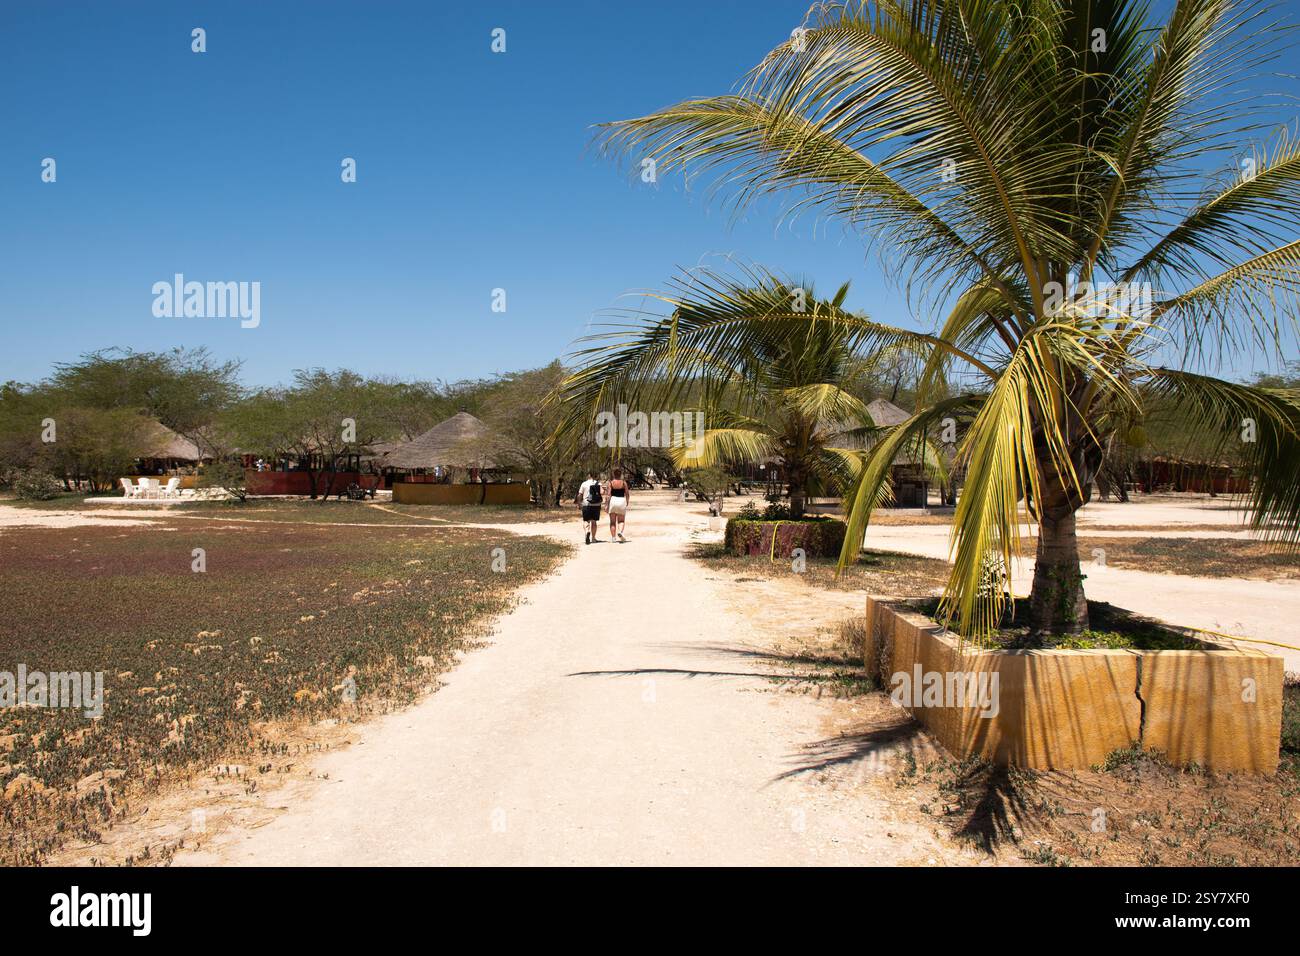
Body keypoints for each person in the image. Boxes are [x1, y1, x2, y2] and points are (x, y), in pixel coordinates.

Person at [576, 471, 603, 544]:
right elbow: (602, 492)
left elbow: (579, 495)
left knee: (586, 521)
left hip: (586, 504)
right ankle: (593, 538)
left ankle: (587, 532)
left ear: (589, 475)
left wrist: (579, 503)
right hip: (596, 504)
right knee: (594, 522)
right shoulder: (599, 483)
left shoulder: (584, 483)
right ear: (596, 476)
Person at [607, 467, 630, 542]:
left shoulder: (611, 482)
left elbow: (608, 494)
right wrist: (627, 501)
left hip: (613, 501)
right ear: (620, 474)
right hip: (621, 501)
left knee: (612, 521)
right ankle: (620, 532)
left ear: (614, 474)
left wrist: (607, 505)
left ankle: (613, 538)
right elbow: (627, 493)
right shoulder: (623, 483)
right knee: (621, 521)